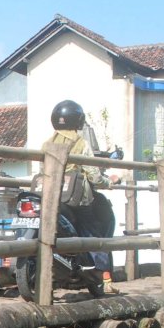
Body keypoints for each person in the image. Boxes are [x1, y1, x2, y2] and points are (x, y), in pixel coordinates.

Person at [43, 99, 118, 294]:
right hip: (75, 199)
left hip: (51, 197)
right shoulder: (80, 143)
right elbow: (94, 175)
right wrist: (108, 182)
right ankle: (102, 277)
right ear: (78, 120)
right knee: (92, 232)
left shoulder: (47, 144)